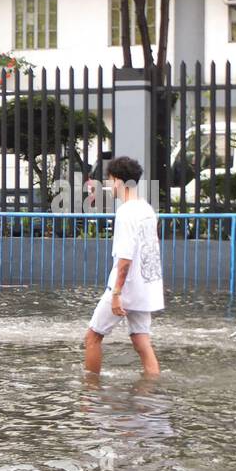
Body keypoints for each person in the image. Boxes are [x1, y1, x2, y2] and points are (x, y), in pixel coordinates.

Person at [83, 156, 164, 377]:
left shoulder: (126, 212)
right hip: (145, 286)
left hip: (125, 287)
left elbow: (125, 258)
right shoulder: (147, 209)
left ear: (118, 181)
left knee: (92, 337)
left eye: (109, 180)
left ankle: (90, 393)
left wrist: (117, 293)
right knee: (141, 341)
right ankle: (150, 395)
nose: (108, 186)